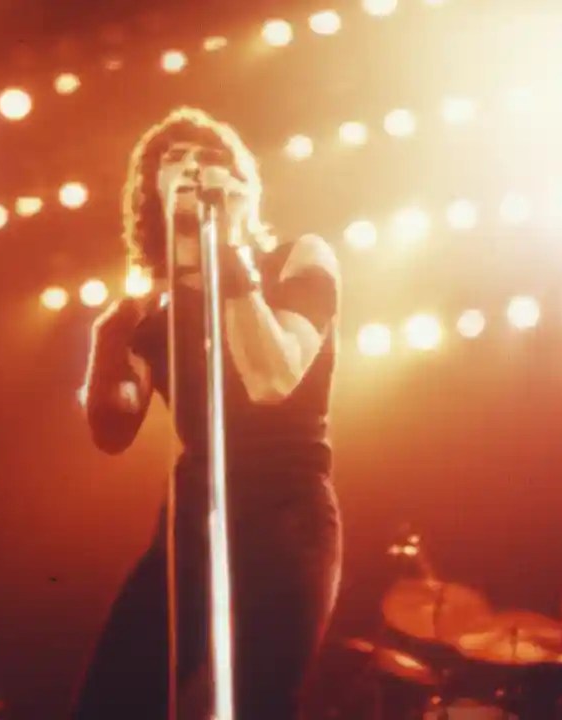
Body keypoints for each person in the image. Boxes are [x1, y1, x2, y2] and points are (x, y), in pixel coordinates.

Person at [70, 107, 343, 720]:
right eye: (177, 161)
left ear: (245, 185)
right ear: (154, 196)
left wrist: (229, 265)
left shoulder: (298, 259)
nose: (197, 166)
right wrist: (108, 343)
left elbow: (273, 378)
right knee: (110, 702)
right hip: (190, 520)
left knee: (255, 702)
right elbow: (113, 428)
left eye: (213, 158)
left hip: (286, 511)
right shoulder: (152, 313)